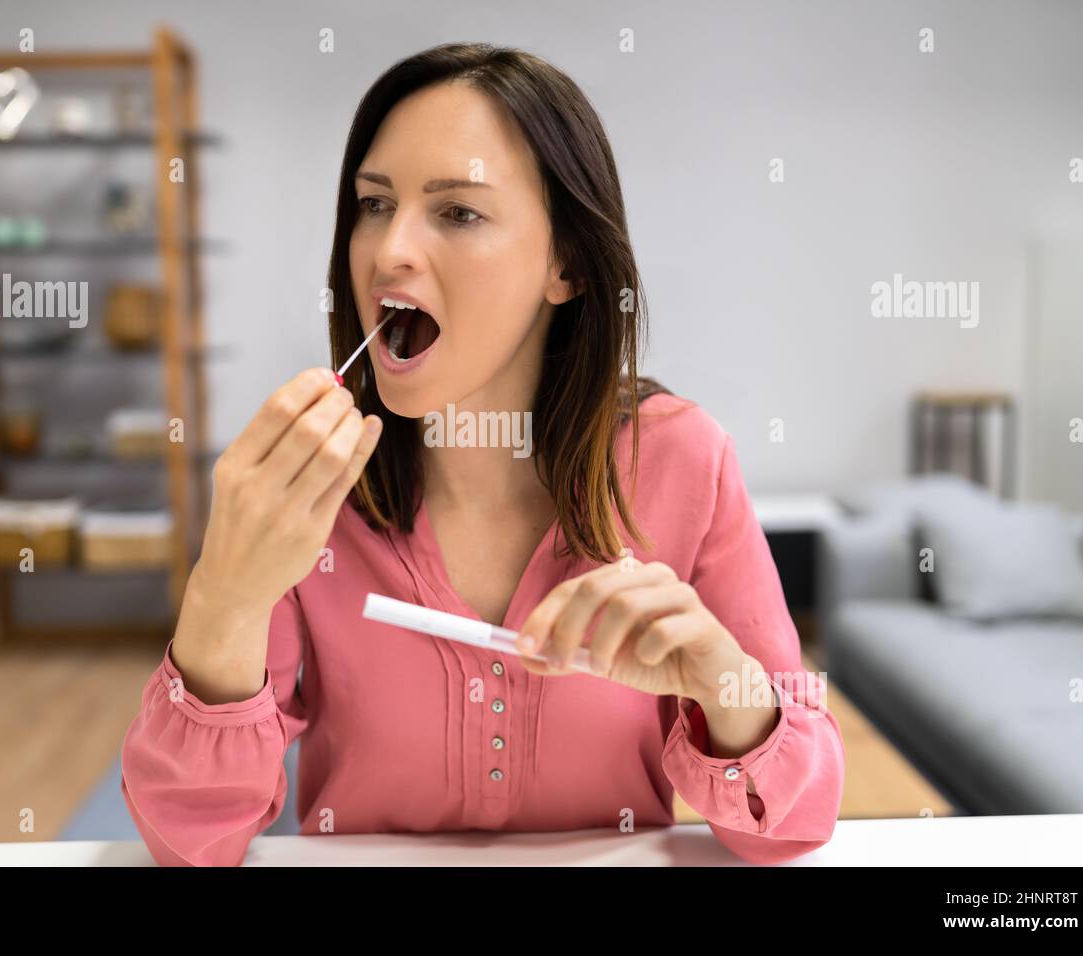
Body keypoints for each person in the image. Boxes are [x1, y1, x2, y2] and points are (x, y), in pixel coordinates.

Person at [121, 42, 844, 867]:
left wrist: (726, 686)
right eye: (373, 203)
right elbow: (190, 843)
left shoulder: (684, 461)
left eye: (457, 212)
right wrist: (223, 595)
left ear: (565, 263)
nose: (389, 249)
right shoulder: (307, 490)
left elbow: (794, 823)